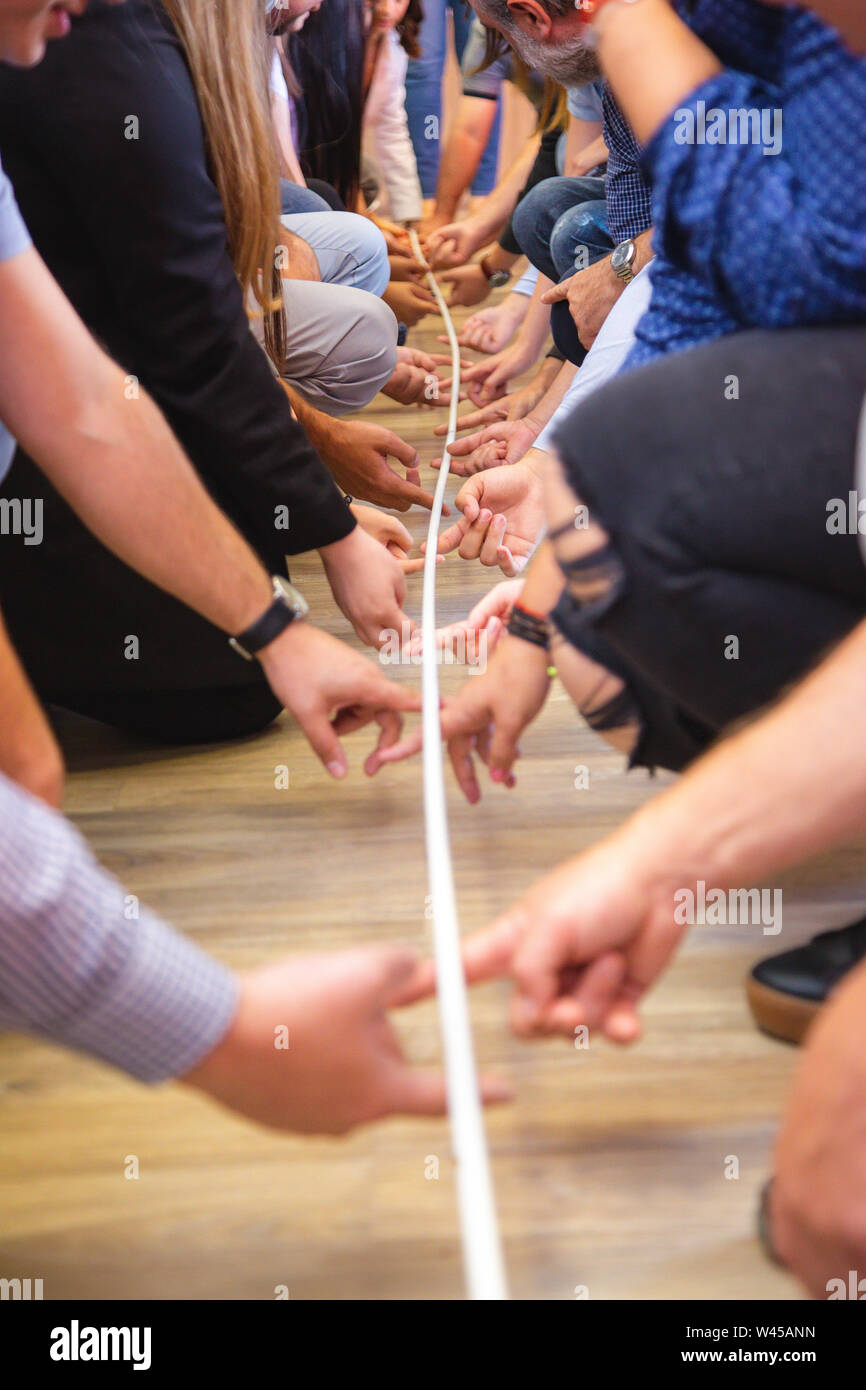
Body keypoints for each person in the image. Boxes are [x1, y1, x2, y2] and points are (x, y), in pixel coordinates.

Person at [0, 0, 427, 745]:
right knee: (221, 680)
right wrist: (322, 528)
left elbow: (86, 398)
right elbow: (189, 334)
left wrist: (284, 603)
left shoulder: (92, 44)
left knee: (243, 624)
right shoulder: (112, 40)